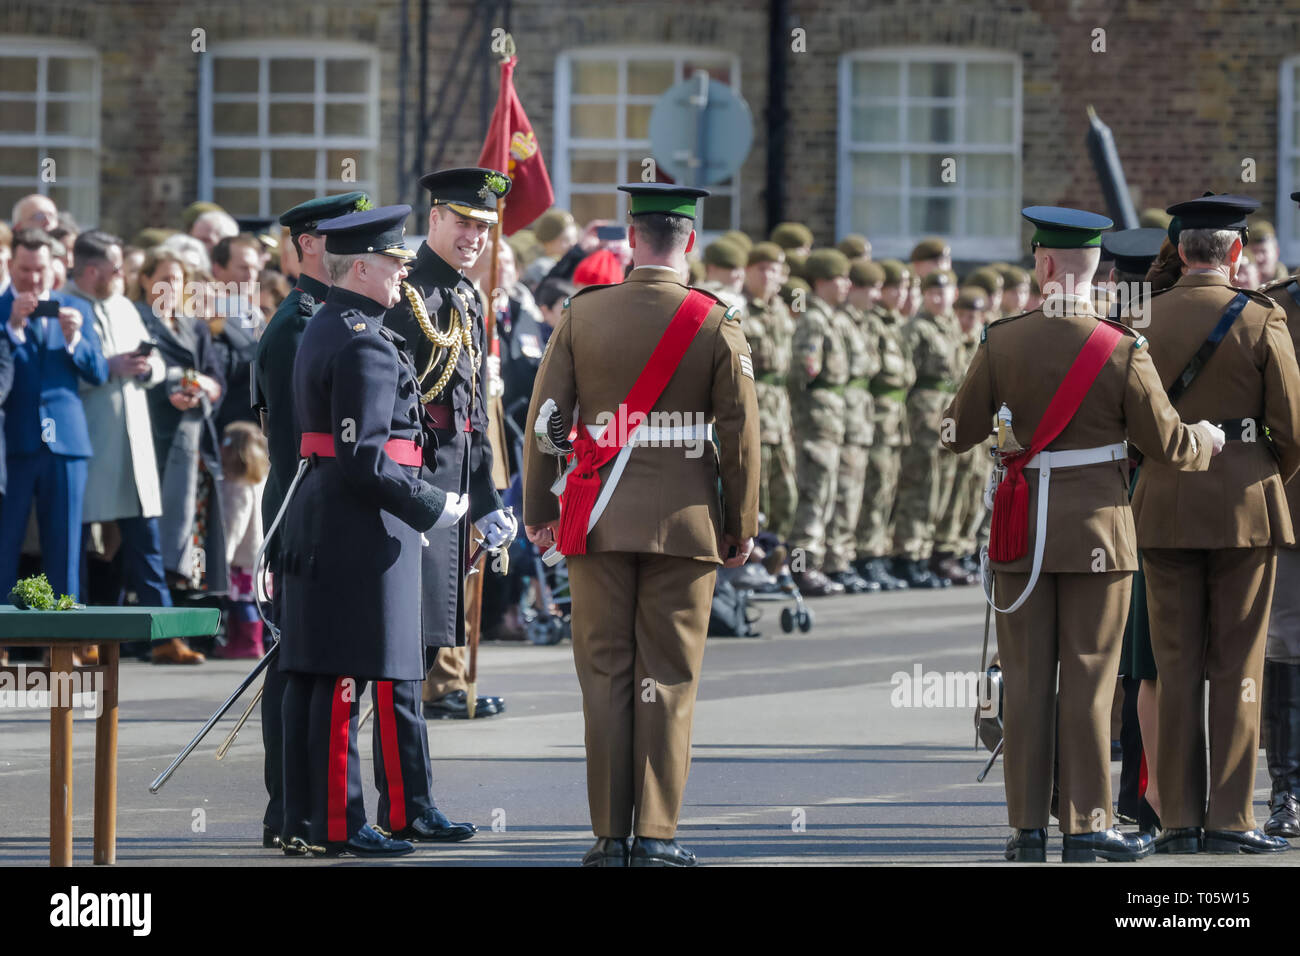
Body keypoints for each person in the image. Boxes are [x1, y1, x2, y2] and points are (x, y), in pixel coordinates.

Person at [943, 205, 1225, 863]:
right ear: (1093, 267)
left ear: (1042, 263)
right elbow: (1166, 445)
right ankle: (1087, 824)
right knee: (1093, 681)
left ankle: (1027, 830)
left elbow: (954, 434)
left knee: (1028, 678)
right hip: (1098, 531)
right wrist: (1206, 440)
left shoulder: (1000, 339)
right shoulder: (1121, 344)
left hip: (1021, 529)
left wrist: (1003, 438)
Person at [522, 181, 759, 866]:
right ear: (689, 240)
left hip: (595, 519)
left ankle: (608, 834)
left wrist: (541, 511)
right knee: (670, 676)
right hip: (686, 521)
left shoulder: (583, 313)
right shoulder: (716, 321)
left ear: (630, 235)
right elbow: (740, 435)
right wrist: (740, 521)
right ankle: (655, 834)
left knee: (605, 673)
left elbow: (545, 422)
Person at [277, 204, 460, 857]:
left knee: (327, 671)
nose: (402, 272)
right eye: (394, 262)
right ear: (361, 266)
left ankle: (310, 818)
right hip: (359, 522)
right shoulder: (360, 339)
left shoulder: (335, 325)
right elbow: (366, 460)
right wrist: (429, 505)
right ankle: (338, 821)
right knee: (343, 672)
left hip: (336, 514)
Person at [1134, 194, 1300, 855]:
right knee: (1240, 666)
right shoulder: (1262, 317)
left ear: (1179, 250)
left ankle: (1177, 818)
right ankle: (1231, 819)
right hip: (1244, 505)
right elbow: (1291, 427)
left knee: (1174, 665)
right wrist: (1258, 473)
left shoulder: (1142, 317)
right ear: (1235, 253)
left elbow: (1128, 424)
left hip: (1164, 501)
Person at [252, 190, 372, 850]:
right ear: (307, 245)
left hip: (311, 513)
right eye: (339, 236)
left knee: (303, 667)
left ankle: (295, 811)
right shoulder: (303, 325)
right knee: (303, 668)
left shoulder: (323, 316)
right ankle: (295, 810)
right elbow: (313, 448)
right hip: (308, 516)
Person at [384, 168, 514, 721]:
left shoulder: (464, 294)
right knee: (410, 641)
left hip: (457, 480)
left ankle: (416, 788)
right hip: (416, 483)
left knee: (436, 630)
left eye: (483, 227)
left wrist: (486, 500)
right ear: (434, 218)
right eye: (463, 222)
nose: (474, 237)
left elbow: (472, 415)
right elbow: (392, 410)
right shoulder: (406, 293)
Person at [65, 231, 171, 658]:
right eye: (115, 269)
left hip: (134, 441)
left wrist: (146, 369)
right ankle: (79, 637)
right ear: (92, 271)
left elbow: (159, 364)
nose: (123, 275)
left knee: (145, 540)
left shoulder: (125, 306)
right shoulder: (62, 305)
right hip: (88, 440)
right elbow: (51, 375)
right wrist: (105, 369)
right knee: (75, 543)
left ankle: (164, 636)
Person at [0, 229, 108, 604]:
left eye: (40, 269)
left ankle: (67, 643)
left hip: (66, 442)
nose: (32, 278)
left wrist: (75, 340)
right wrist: (10, 327)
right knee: (4, 542)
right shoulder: (1, 310)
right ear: (11, 265)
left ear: (55, 267)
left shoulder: (77, 309)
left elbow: (99, 373)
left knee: (65, 546)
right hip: (12, 443)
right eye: (25, 269)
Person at [136, 247, 226, 643]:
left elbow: (216, 379)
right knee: (153, 532)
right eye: (163, 278)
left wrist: (203, 388)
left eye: (176, 280)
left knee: (189, 535)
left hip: (193, 443)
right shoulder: (137, 320)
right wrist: (171, 386)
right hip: (151, 439)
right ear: (144, 280)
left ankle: (177, 633)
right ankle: (147, 632)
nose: (170, 287)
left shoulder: (195, 327)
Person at [786, 249, 851, 597]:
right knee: (812, 493)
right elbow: (801, 373)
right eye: (841, 278)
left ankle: (816, 561)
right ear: (823, 281)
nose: (847, 285)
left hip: (830, 418)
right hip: (815, 420)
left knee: (824, 492)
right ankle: (802, 567)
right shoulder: (813, 319)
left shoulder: (829, 318)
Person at [816, 249, 881, 594]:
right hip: (834, 418)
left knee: (851, 492)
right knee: (835, 492)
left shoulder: (855, 322)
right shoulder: (831, 321)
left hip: (855, 418)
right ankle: (832, 561)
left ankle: (843, 559)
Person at [892, 269, 961, 588]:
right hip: (923, 414)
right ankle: (909, 554)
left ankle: (928, 551)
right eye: (932, 292)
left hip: (946, 412)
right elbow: (907, 376)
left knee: (940, 486)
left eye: (944, 292)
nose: (939, 298)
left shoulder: (950, 326)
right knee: (919, 484)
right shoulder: (916, 328)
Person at [855, 259, 914, 591]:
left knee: (887, 486)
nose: (902, 293)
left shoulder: (894, 324)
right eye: (897, 286)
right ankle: (866, 554)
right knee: (874, 486)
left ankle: (876, 552)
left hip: (893, 419)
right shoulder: (873, 324)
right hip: (875, 417)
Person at [741, 242, 797, 571]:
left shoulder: (782, 312)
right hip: (756, 411)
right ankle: (756, 556)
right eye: (761, 268)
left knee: (785, 493)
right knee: (755, 490)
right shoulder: (741, 310)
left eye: (774, 269)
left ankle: (777, 551)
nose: (768, 276)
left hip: (780, 413)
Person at [217, 420, 267, 659]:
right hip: (258, 556)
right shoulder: (260, 480)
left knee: (241, 602)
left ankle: (249, 642)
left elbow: (234, 525)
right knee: (248, 601)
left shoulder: (236, 486)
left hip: (241, 557)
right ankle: (241, 641)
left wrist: (222, 557)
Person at [522, 208, 577, 291]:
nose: (572, 244)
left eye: (574, 238)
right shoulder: (540, 266)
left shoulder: (562, 261)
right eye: (565, 239)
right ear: (549, 240)